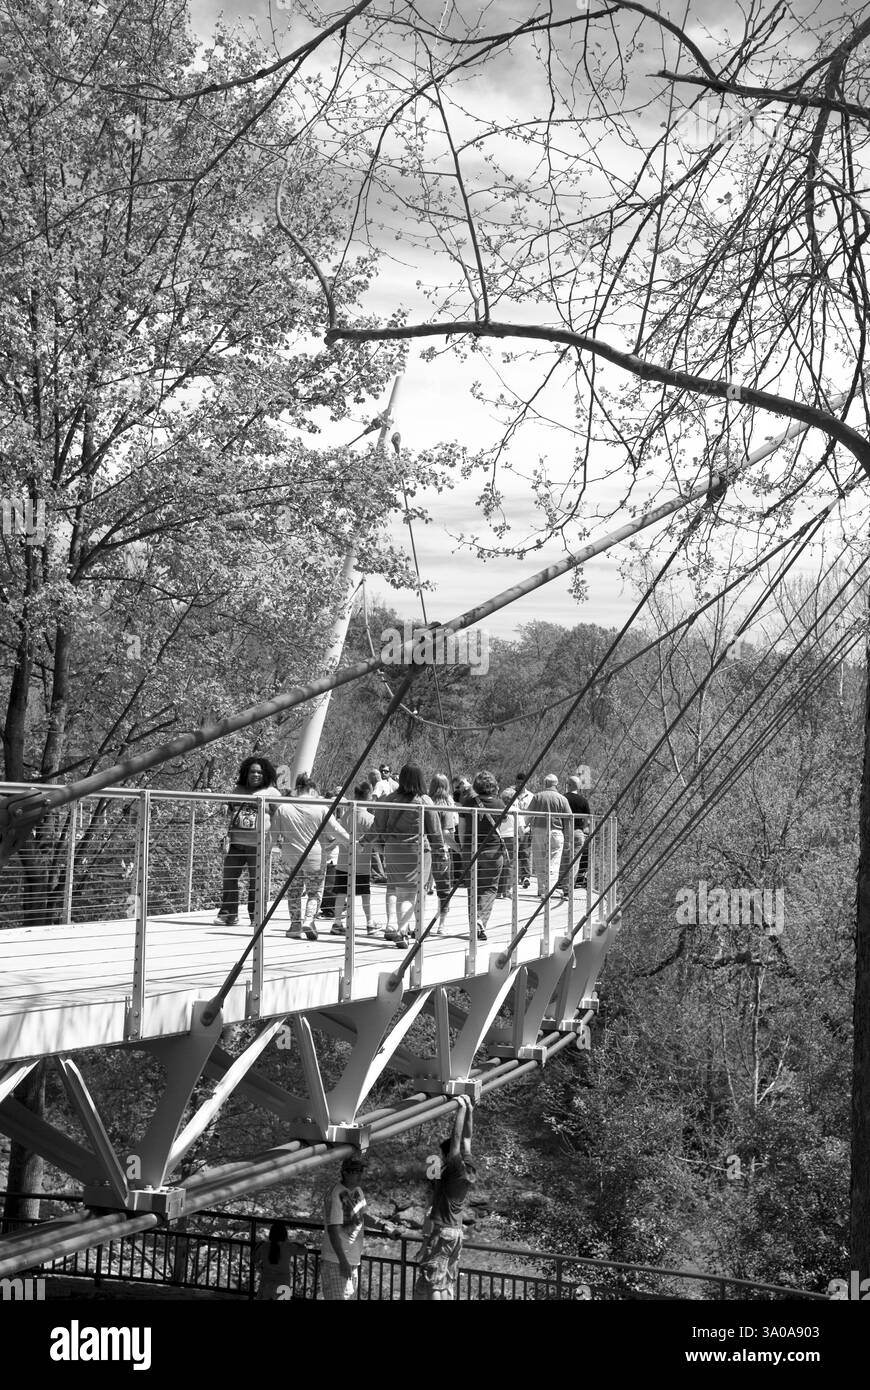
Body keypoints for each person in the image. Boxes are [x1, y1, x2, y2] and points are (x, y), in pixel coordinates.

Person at [372, 763, 447, 946]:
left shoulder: (389, 799)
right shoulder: (424, 800)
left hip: (393, 850)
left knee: (400, 891)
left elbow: (378, 825)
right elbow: (434, 830)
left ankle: (406, 929)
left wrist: (368, 842)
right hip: (417, 851)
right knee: (411, 894)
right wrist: (440, 850)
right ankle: (403, 930)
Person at [413, 1097, 476, 1301]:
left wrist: (460, 1107)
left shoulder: (455, 1168)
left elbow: (457, 1137)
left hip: (443, 1231)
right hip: (457, 1232)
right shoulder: (468, 1167)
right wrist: (469, 1110)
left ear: (447, 1154)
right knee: (445, 1280)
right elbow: (467, 1138)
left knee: (434, 1282)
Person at [271, 775, 349, 940]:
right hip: (315, 857)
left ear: (297, 789)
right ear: (312, 789)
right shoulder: (320, 808)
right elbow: (336, 830)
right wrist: (352, 842)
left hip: (291, 857)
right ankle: (309, 919)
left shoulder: (283, 808)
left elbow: (272, 836)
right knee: (314, 892)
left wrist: (264, 851)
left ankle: (295, 925)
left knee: (293, 892)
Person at [215, 755, 281, 926]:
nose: (255, 775)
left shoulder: (272, 792)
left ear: (265, 774)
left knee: (256, 881)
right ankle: (229, 914)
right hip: (236, 843)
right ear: (246, 773)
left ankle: (257, 917)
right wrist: (224, 805)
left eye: (259, 772)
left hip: (259, 844)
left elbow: (281, 815)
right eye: (252, 771)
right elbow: (229, 805)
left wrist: (276, 838)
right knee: (229, 877)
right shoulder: (237, 790)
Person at [320, 1153, 396, 1300]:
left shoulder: (357, 1191)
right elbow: (333, 1231)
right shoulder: (336, 1194)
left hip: (352, 1259)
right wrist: (343, 1261)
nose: (360, 1175)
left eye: (361, 1171)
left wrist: (383, 1226)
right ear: (345, 1173)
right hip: (337, 1261)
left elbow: (362, 1216)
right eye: (356, 1171)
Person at [458, 771, 508, 941]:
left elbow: (462, 828)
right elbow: (502, 823)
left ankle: (474, 923)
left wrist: (463, 847)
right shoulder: (500, 804)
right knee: (490, 887)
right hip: (493, 850)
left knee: (473, 887)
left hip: (471, 849)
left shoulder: (468, 802)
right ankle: (481, 921)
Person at [331, 783, 377, 935]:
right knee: (365, 894)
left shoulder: (346, 815)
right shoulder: (369, 818)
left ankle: (337, 922)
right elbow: (374, 841)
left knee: (341, 893)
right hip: (362, 864)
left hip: (343, 862)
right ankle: (369, 922)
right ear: (369, 796)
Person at [526, 773, 572, 901]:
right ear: (556, 784)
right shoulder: (562, 799)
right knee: (554, 862)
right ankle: (549, 891)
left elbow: (528, 815)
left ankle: (541, 889)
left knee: (539, 860)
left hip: (539, 830)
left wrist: (523, 828)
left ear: (545, 783)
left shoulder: (537, 796)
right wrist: (568, 836)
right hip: (556, 832)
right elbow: (569, 818)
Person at [428, 774, 458, 934]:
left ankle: (417, 924)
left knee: (421, 888)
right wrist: (459, 848)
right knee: (444, 889)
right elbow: (446, 832)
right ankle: (441, 925)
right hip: (441, 851)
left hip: (425, 850)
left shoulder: (425, 802)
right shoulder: (445, 806)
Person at [253, 1220, 306, 1300]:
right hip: (283, 1283)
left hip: (266, 1282)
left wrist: (258, 1245)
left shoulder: (264, 1246)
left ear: (271, 1234)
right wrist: (297, 1243)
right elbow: (304, 1251)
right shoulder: (289, 1247)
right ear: (285, 1235)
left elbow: (255, 1258)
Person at [559, 774, 592, 891]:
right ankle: (569, 886)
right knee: (575, 861)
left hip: (564, 832)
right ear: (578, 787)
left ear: (569, 785)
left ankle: (562, 883)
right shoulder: (583, 800)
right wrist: (582, 829)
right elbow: (588, 819)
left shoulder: (562, 798)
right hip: (578, 833)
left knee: (563, 858)